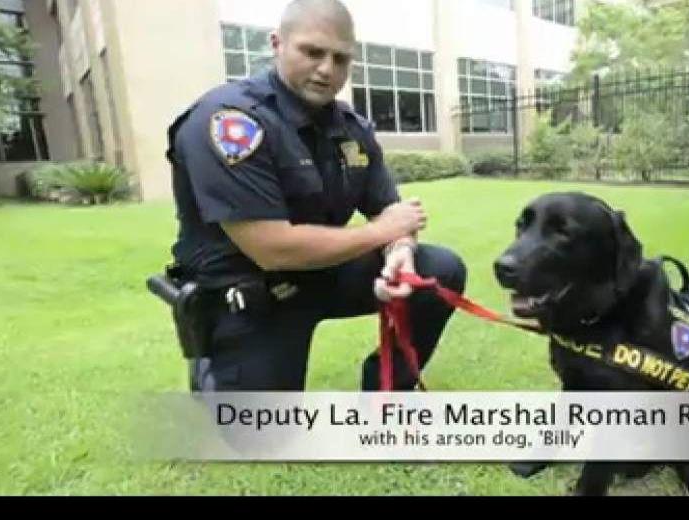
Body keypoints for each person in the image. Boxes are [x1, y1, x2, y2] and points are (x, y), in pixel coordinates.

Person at [164, 0, 466, 392]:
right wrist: (382, 234)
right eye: (313, 52)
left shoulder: (349, 127)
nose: (327, 70)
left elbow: (390, 209)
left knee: (437, 269)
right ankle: (209, 364)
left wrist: (399, 253)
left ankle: (388, 389)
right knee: (262, 432)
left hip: (322, 270)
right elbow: (271, 249)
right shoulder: (230, 121)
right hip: (251, 287)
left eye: (341, 59)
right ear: (277, 44)